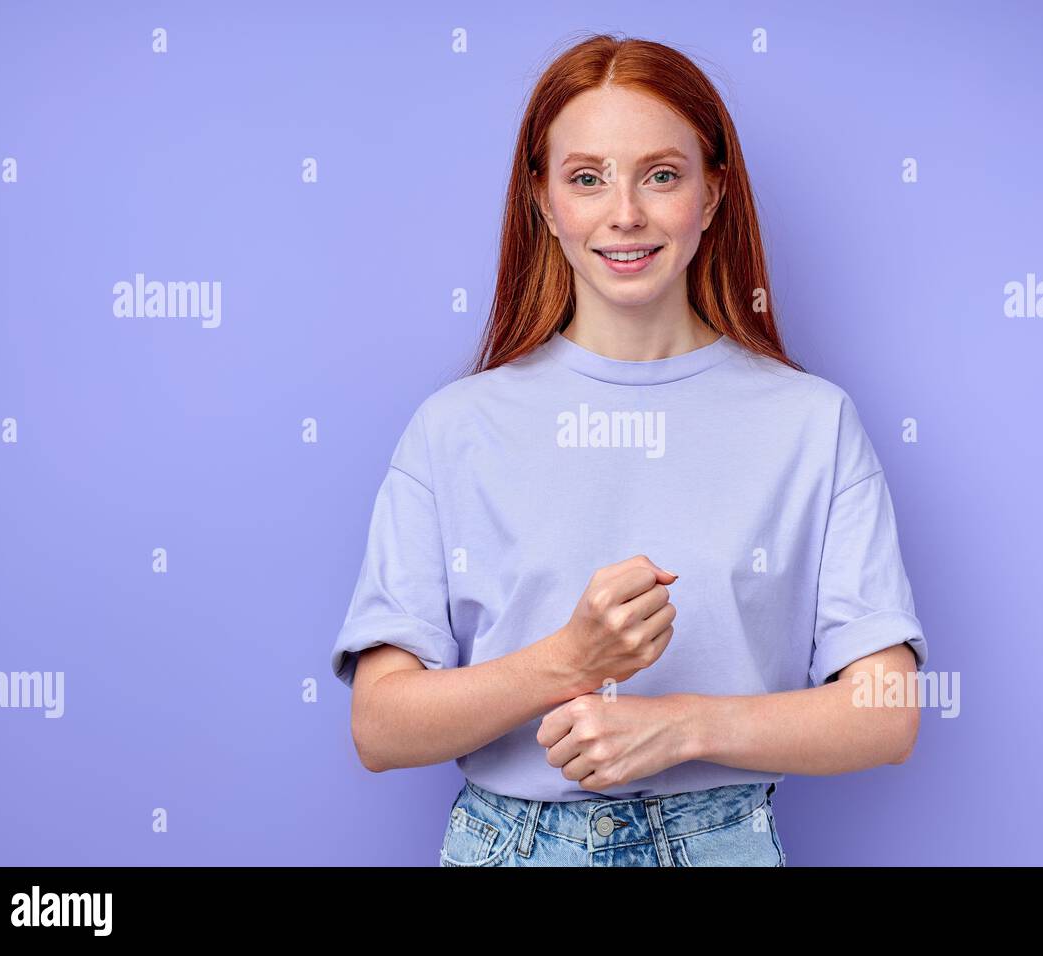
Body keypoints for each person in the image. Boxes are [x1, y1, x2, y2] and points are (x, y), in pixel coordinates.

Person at [329, 33, 929, 867]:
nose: (625, 213)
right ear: (543, 200)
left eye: (661, 174)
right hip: (511, 845)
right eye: (586, 178)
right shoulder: (453, 428)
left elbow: (888, 710)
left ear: (713, 193)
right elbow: (379, 727)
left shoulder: (811, 422)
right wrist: (567, 662)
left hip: (722, 842)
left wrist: (684, 724)